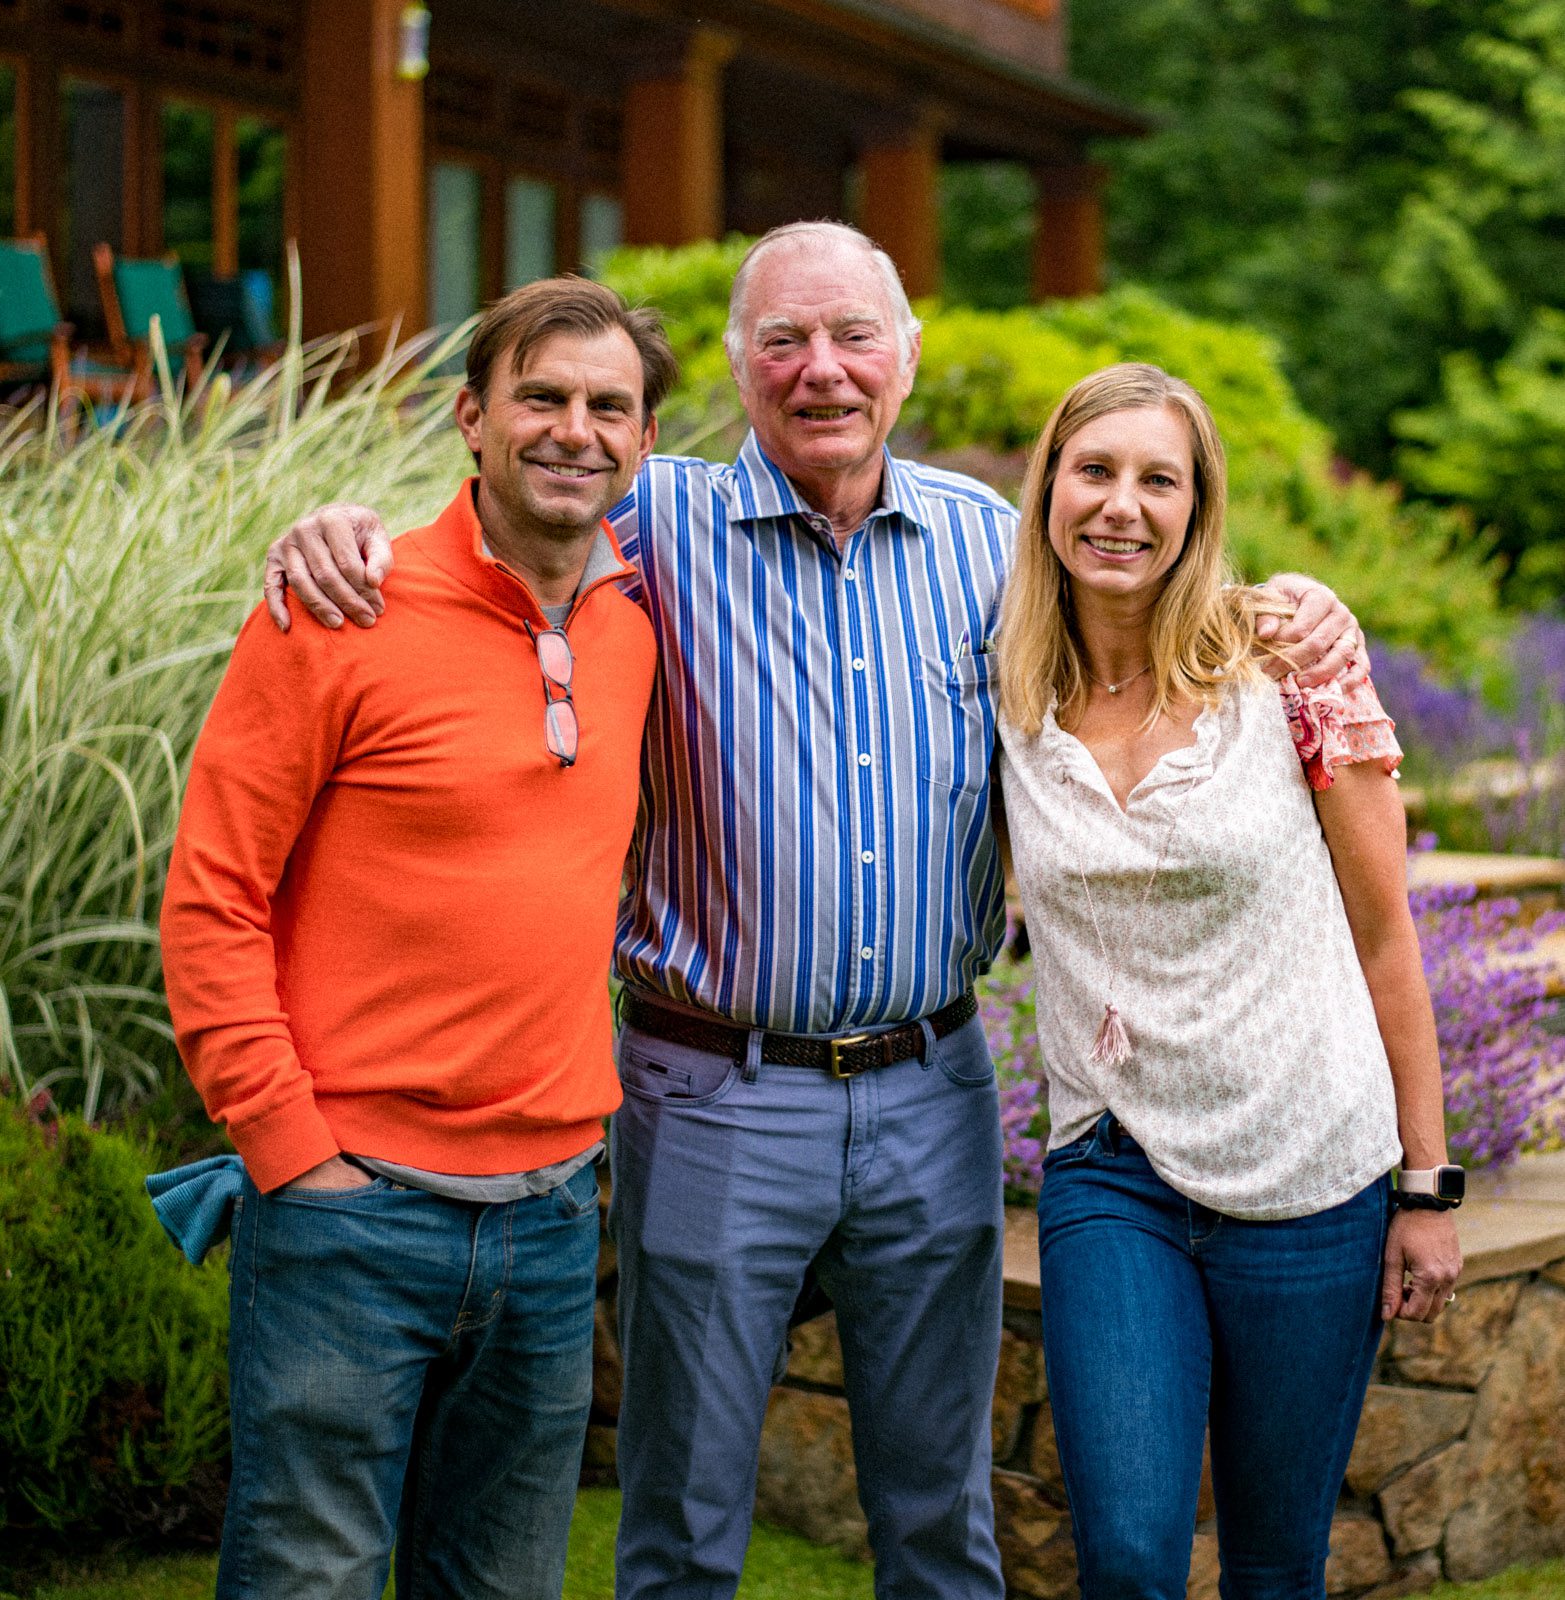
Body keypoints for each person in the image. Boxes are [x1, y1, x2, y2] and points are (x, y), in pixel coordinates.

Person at [260, 223, 1364, 1600]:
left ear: (906, 357)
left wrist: (1295, 610)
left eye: (852, 336)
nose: (820, 369)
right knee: (682, 1523)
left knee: (940, 1520)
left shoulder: (991, 548)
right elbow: (501, 521)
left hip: (931, 1087)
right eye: (782, 340)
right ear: (738, 367)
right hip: (712, 1090)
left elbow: (1148, 628)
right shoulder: (647, 523)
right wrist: (342, 527)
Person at [158, 277, 674, 1600]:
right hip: (352, 1212)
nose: (573, 430)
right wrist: (291, 1149)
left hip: (550, 1216)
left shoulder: (635, 626)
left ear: (643, 440)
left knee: (500, 1583)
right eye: (540, 397)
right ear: (469, 417)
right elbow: (214, 896)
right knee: (308, 1575)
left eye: (606, 406)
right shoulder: (338, 607)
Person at [996, 363, 1463, 1600]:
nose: (1121, 505)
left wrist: (1425, 1185)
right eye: (1094, 470)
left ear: (1197, 509)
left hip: (1311, 1173)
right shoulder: (1003, 688)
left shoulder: (1290, 673)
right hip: (1113, 1168)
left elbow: (1384, 935)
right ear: (1047, 488)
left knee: (1271, 1563)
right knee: (1127, 1555)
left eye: (1158, 480)